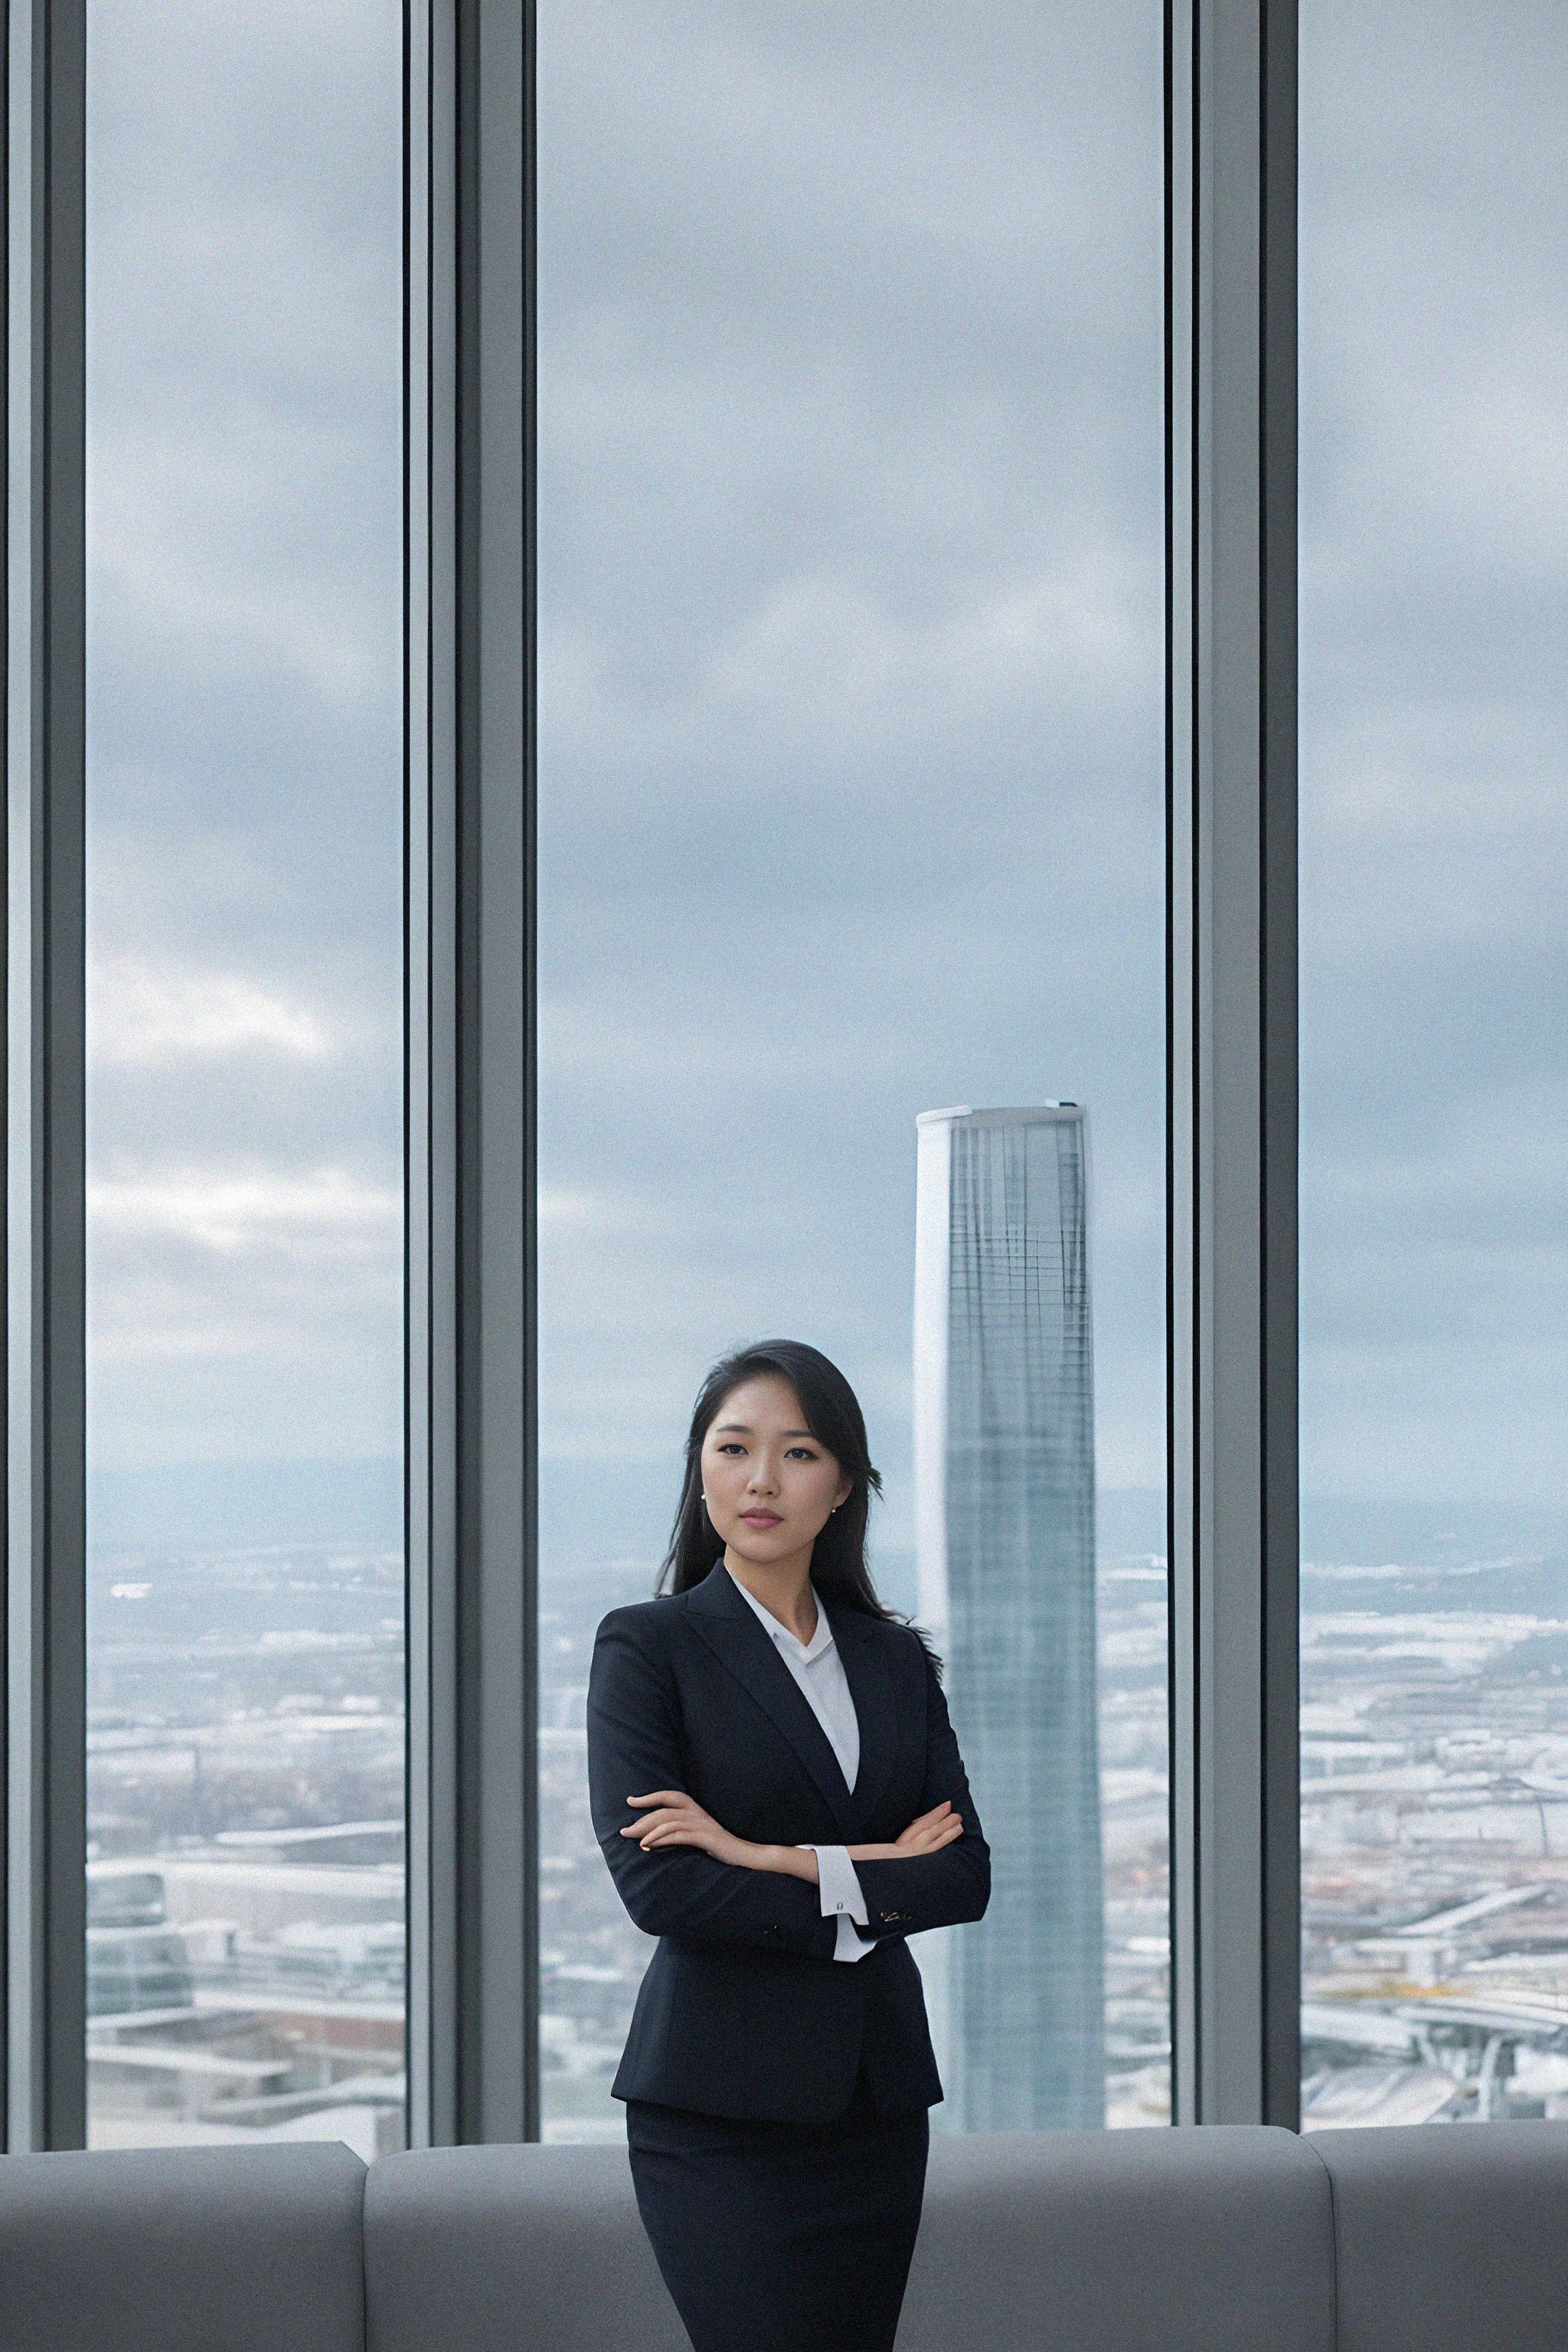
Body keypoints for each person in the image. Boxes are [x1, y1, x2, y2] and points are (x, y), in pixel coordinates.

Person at [587, 1338, 990, 2352]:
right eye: (734, 1448)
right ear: (701, 1469)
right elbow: (664, 1891)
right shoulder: (649, 1649)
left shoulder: (896, 1661)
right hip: (716, 2116)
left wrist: (768, 1856)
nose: (761, 1479)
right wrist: (868, 1880)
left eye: (799, 1453)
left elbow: (963, 1874)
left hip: (875, 2109)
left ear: (845, 1484)